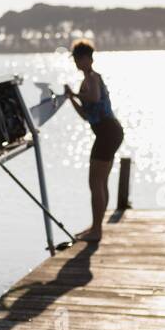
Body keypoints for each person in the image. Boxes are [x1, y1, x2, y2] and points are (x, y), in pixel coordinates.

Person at [63, 39, 124, 241]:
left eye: (81, 58)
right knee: (100, 182)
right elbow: (86, 115)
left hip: (108, 132)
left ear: (89, 59)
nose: (78, 62)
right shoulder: (86, 81)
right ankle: (96, 227)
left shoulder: (92, 78)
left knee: (95, 181)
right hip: (108, 132)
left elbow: (95, 98)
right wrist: (72, 98)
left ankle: (97, 230)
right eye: (76, 59)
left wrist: (76, 94)